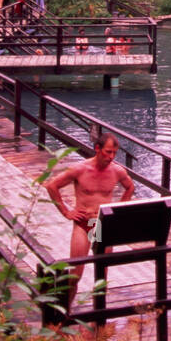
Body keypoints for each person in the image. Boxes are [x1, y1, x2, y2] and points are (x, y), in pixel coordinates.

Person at [43, 133, 135, 312]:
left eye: (114, 153)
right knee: (75, 273)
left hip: (101, 224)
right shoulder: (80, 169)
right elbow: (51, 186)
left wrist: (119, 209)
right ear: (97, 149)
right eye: (108, 152)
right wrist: (66, 211)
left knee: (102, 273)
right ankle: (64, 313)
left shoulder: (117, 171)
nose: (111, 157)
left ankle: (98, 316)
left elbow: (130, 187)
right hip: (83, 223)